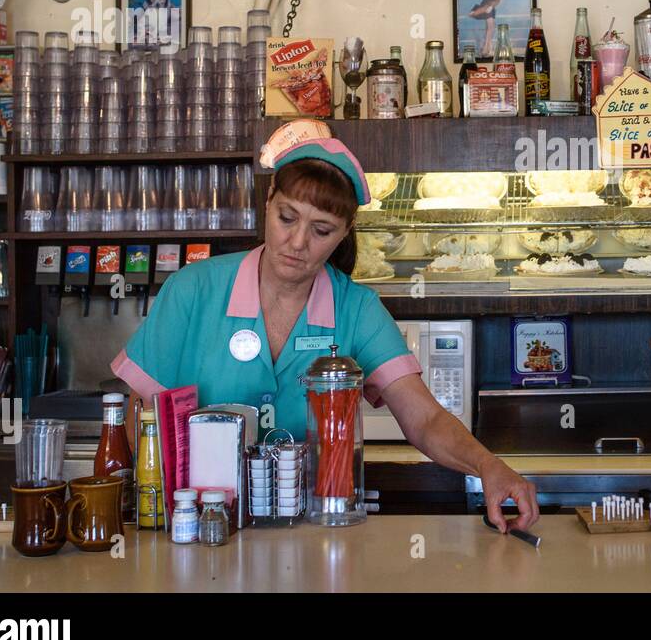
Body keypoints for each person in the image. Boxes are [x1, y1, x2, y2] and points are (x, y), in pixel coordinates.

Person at [110, 125, 539, 532]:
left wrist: (489, 467)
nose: (297, 243)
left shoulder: (356, 309)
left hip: (312, 528)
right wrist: (161, 508)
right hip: (202, 526)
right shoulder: (193, 289)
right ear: (269, 201)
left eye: (321, 230)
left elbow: (424, 418)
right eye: (286, 217)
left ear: (345, 233)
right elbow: (138, 410)